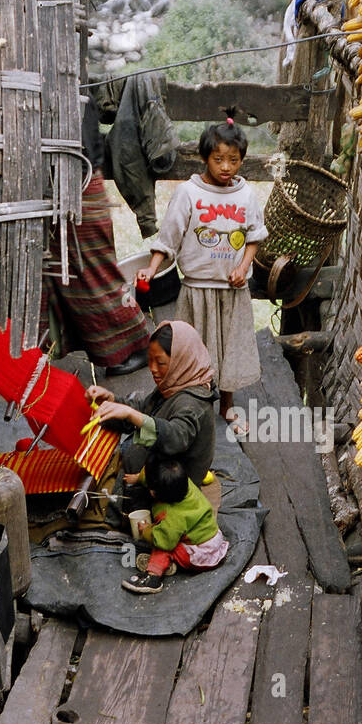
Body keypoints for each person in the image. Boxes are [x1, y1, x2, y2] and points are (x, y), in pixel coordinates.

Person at [135, 119, 266, 433]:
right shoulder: (189, 193)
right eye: (218, 159)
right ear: (205, 157)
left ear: (242, 160)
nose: (226, 167)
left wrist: (243, 267)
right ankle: (194, 407)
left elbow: (254, 237)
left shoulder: (245, 195)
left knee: (230, 348)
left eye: (233, 160)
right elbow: (168, 237)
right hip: (196, 289)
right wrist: (151, 269)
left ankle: (227, 405)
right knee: (194, 352)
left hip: (232, 290)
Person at [41, 96, 151, 376]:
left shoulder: (69, 89)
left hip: (80, 182)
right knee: (59, 273)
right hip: (57, 182)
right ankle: (89, 344)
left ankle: (136, 344)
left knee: (93, 270)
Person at [86, 320, 217, 525]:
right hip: (148, 475)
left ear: (181, 361)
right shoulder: (174, 384)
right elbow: (144, 407)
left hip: (170, 490)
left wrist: (130, 414)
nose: (153, 369)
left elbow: (176, 437)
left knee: (103, 507)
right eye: (149, 361)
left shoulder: (192, 404)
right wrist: (111, 400)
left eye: (161, 362)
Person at [121, 451, 229, 595]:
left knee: (163, 544)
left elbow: (165, 541)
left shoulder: (173, 516)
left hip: (201, 555)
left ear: (154, 493)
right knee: (170, 534)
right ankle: (171, 564)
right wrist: (138, 478)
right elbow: (157, 476)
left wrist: (146, 530)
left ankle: (153, 577)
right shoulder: (183, 484)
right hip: (213, 540)